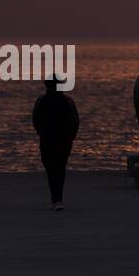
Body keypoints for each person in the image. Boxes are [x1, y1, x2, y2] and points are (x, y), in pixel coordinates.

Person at [32, 76, 79, 210]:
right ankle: (57, 198)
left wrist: (41, 133)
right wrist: (71, 137)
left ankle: (56, 198)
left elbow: (35, 120)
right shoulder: (68, 102)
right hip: (62, 141)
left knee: (52, 169)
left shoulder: (42, 101)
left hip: (48, 140)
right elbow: (75, 121)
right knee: (59, 169)